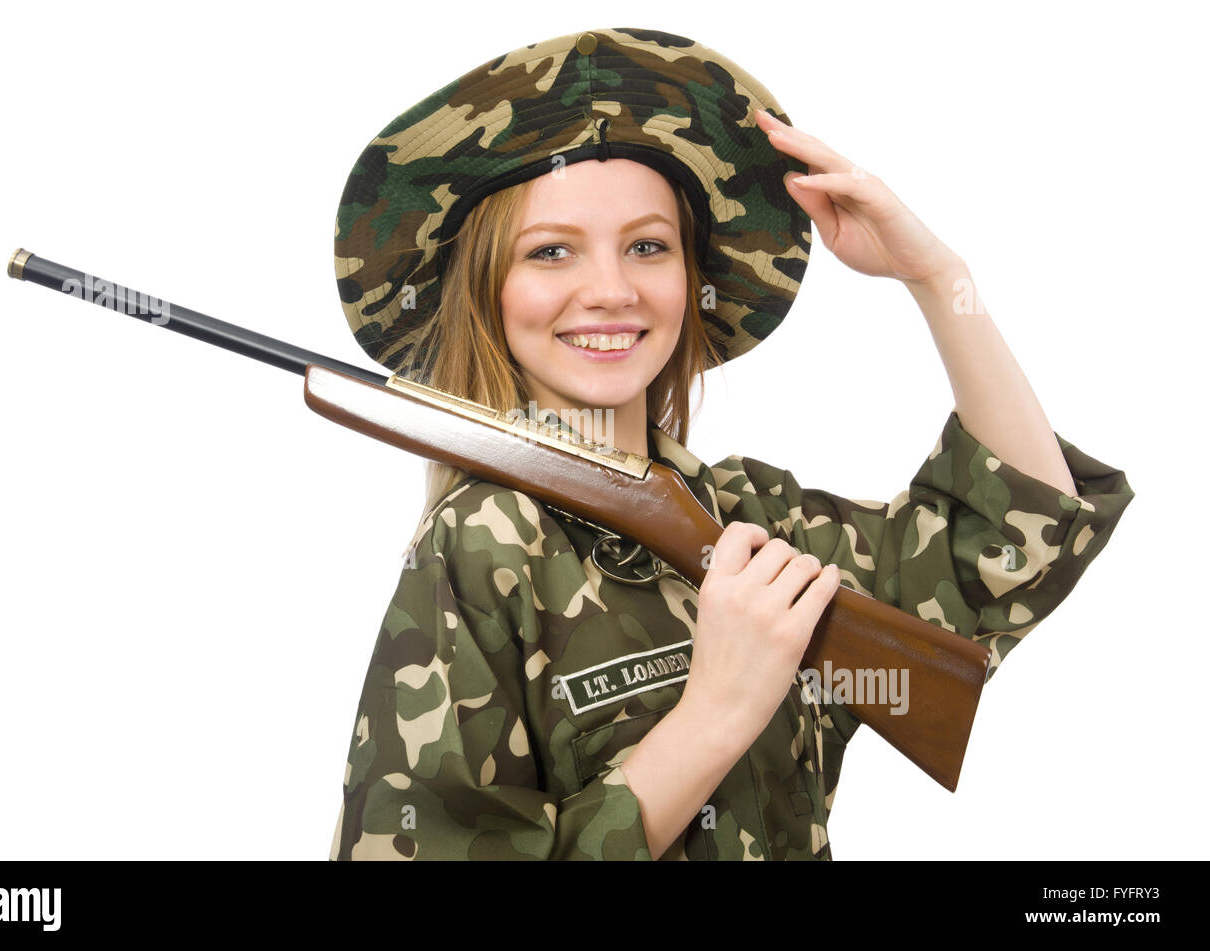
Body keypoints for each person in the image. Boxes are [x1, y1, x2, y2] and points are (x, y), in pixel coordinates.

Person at [328, 27, 1135, 861]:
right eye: (551, 251)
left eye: (648, 246)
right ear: (487, 289)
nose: (610, 289)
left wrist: (939, 280)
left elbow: (1022, 535)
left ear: (690, 274)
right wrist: (717, 707)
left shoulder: (748, 519)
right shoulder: (479, 548)